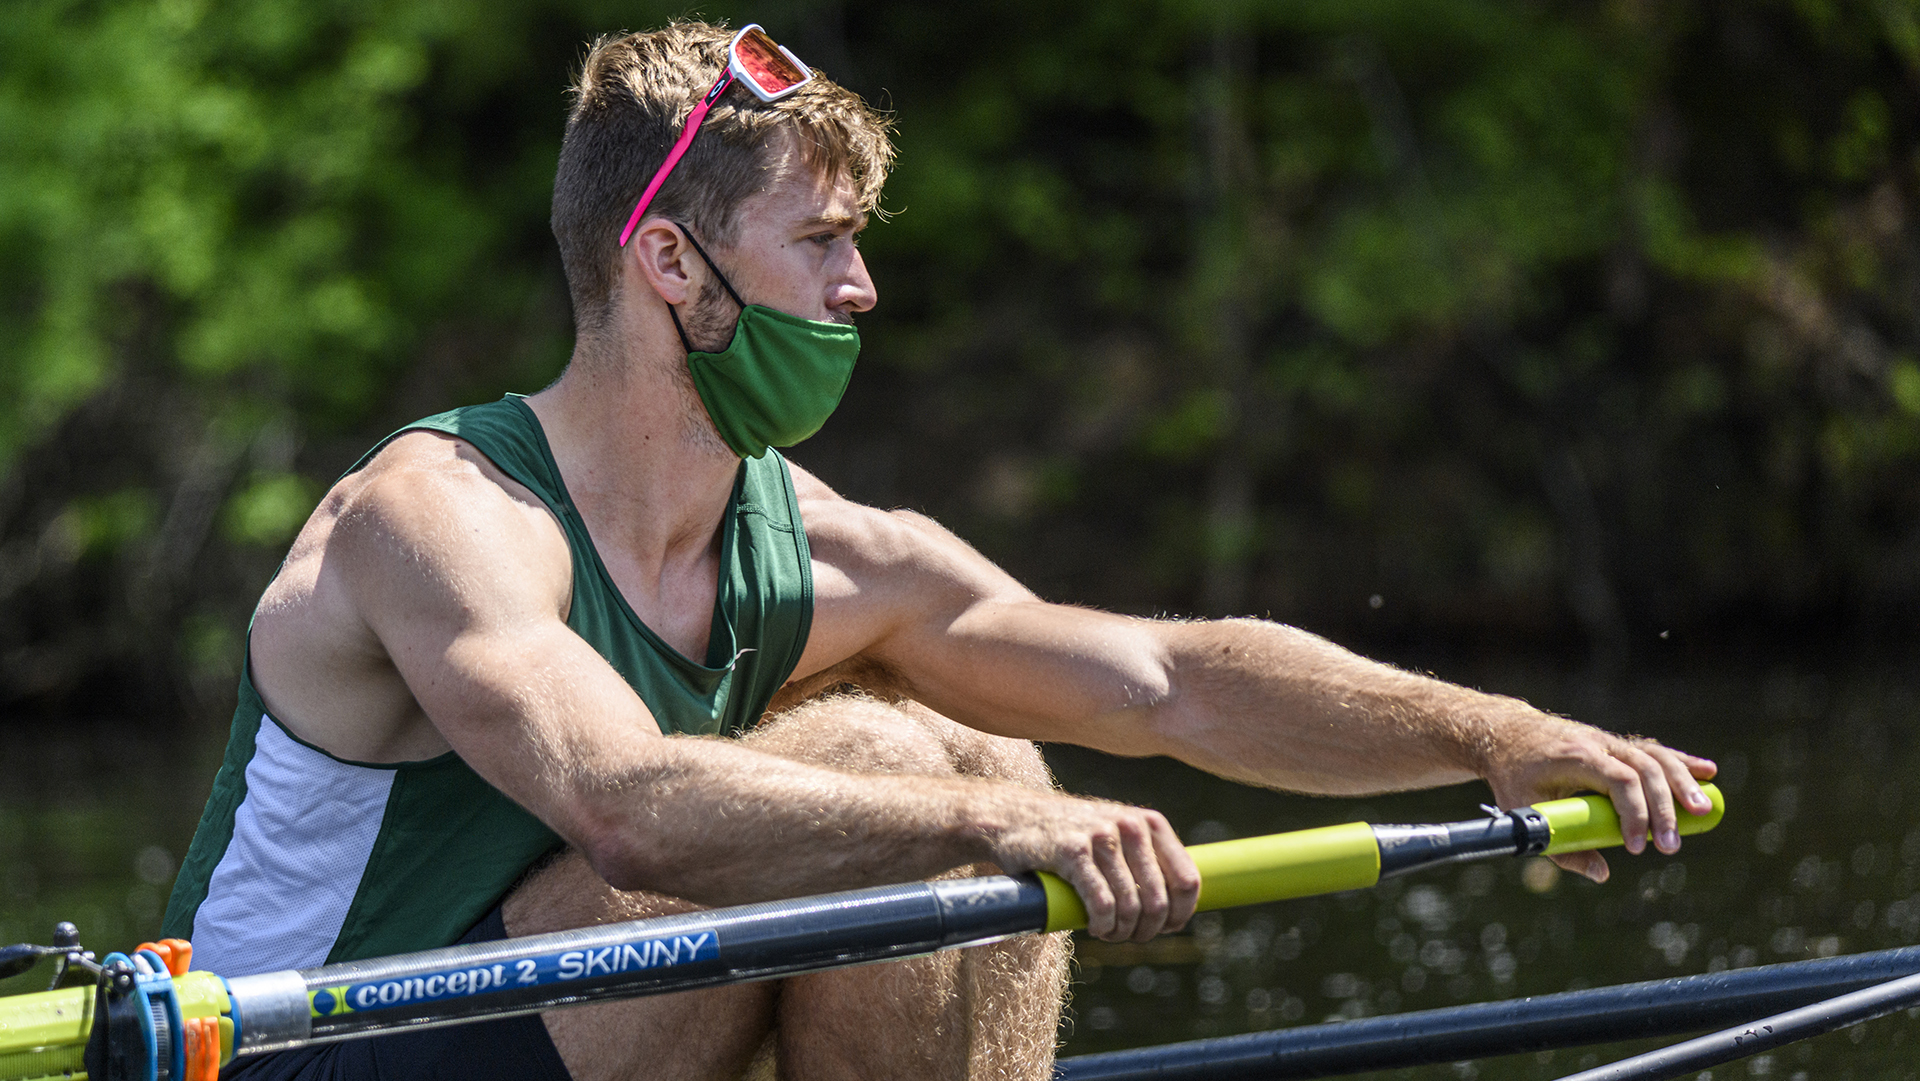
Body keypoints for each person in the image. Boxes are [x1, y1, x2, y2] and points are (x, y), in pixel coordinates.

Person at [162, 20, 1716, 1081]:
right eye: (821, 243)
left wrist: (1489, 734)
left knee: (977, 746)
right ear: (669, 265)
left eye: (862, 245)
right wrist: (984, 831)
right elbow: (628, 810)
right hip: (316, 1049)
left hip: (565, 1038)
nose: (862, 290)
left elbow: (1167, 679)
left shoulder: (826, 545)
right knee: (920, 765)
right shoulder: (435, 518)